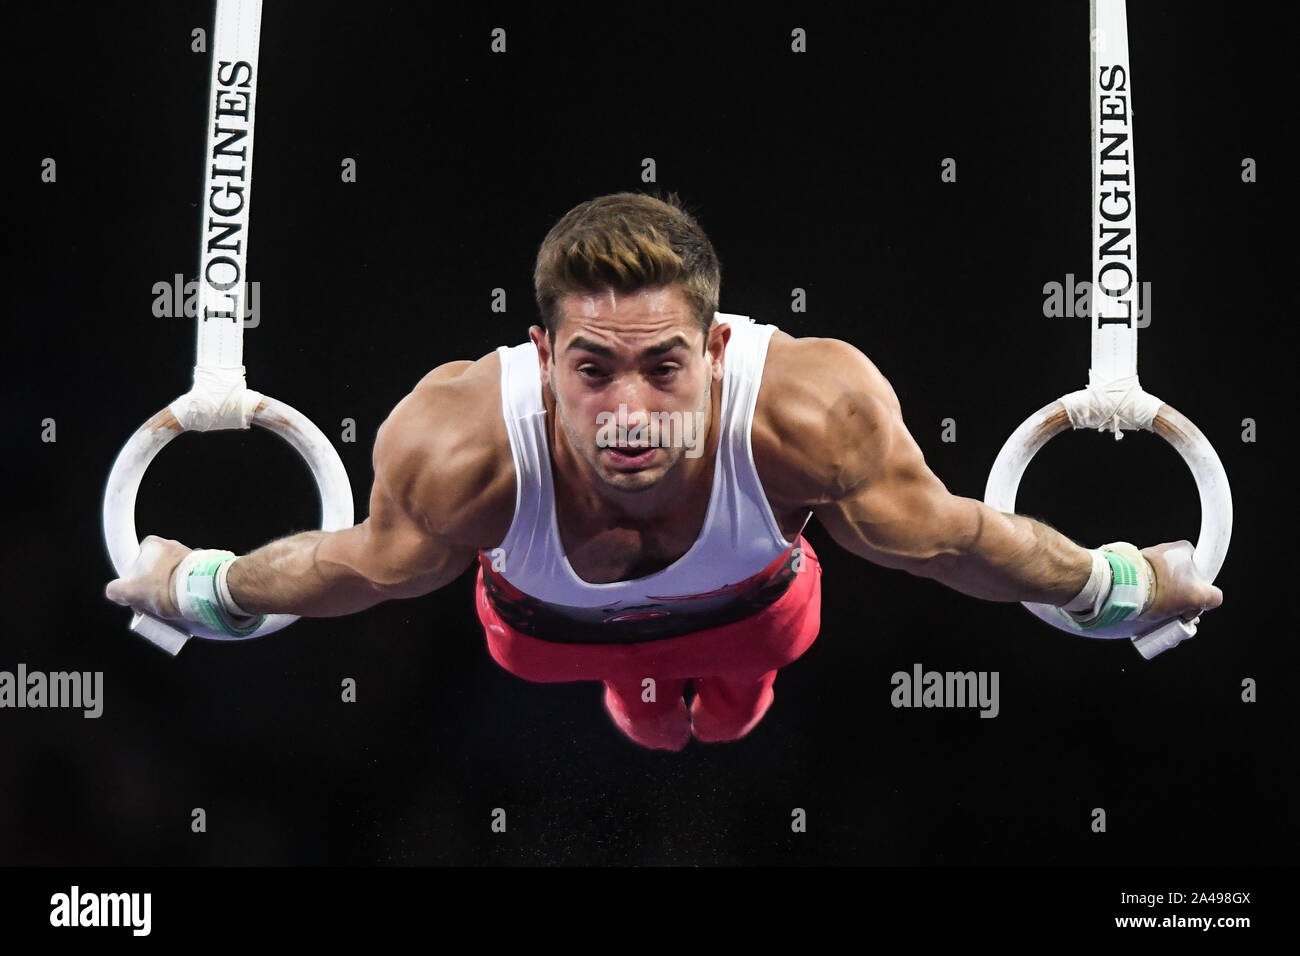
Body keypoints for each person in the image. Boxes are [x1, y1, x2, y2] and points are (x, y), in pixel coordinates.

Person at [105, 191, 1224, 751]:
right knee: (642, 709)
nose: (628, 411)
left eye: (663, 366)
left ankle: (701, 691)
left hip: (755, 612)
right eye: (592, 368)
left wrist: (1117, 586)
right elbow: (356, 567)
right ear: (541, 357)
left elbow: (962, 540)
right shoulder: (459, 442)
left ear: (721, 349)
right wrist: (198, 587)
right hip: (546, 636)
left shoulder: (806, 411)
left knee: (728, 712)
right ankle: (641, 690)